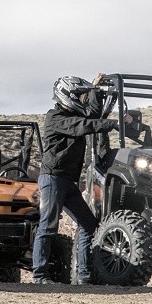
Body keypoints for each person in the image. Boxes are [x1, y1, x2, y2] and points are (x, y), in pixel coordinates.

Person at [31, 75, 118, 284]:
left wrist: (94, 90)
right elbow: (83, 125)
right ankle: (39, 276)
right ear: (66, 95)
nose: (80, 100)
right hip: (53, 179)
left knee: (88, 224)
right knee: (48, 226)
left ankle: (84, 275)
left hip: (67, 181)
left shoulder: (74, 115)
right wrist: (113, 123)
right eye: (78, 96)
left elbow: (91, 115)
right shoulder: (55, 117)